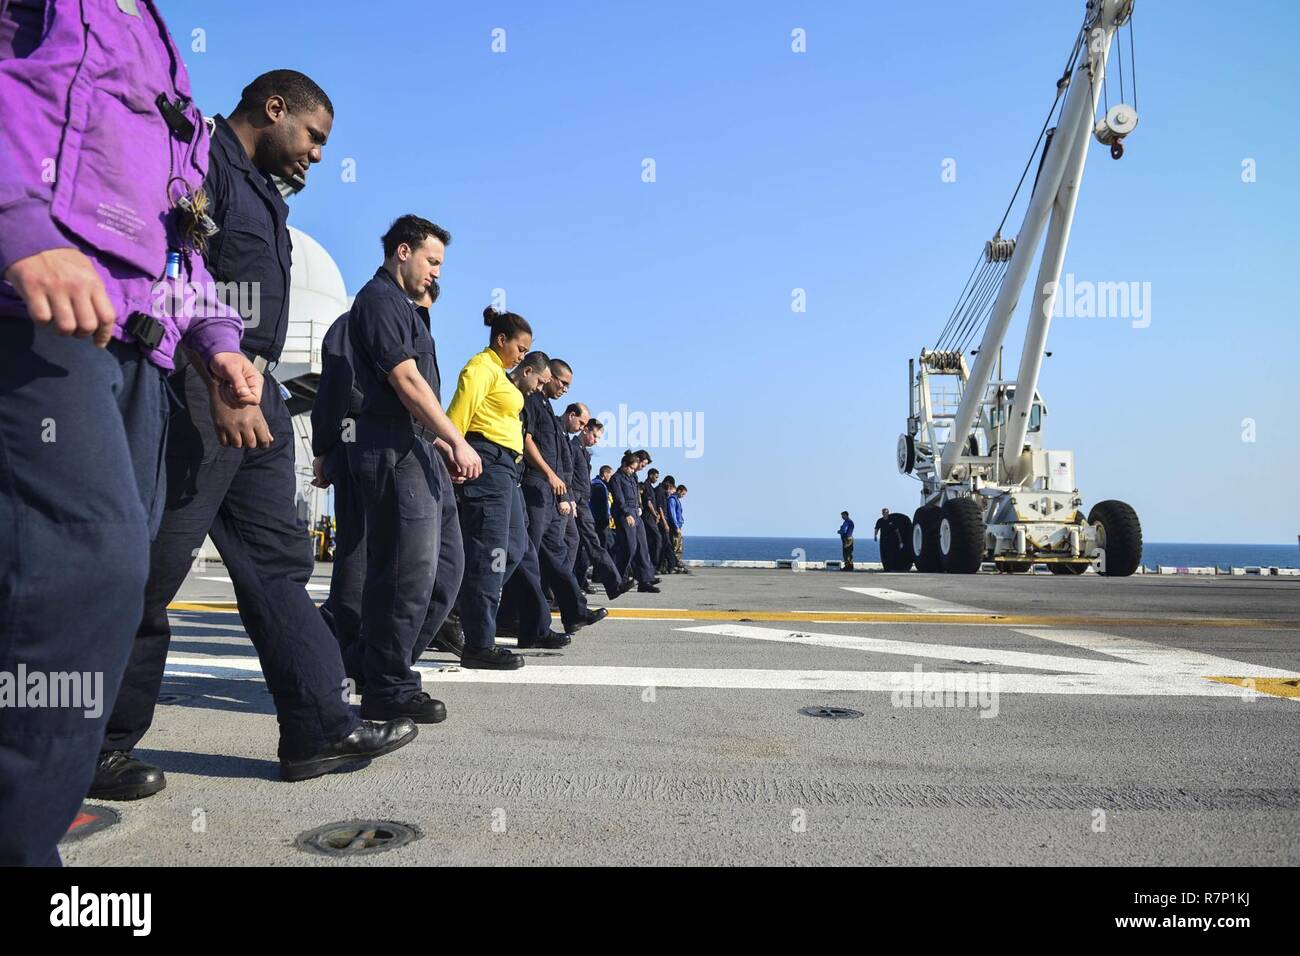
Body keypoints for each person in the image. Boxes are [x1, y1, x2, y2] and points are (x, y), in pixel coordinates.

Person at [89, 70, 416, 800]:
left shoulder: (266, 194)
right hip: (206, 385)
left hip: (258, 388)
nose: (318, 156)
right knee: (155, 567)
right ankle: (96, 744)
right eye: (313, 137)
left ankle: (317, 728)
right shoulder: (200, 161)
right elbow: (174, 268)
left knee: (278, 565)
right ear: (274, 109)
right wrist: (217, 377)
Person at [0, 0, 270, 865]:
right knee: (84, 565)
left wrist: (216, 340)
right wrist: (20, 223)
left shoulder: (160, 44)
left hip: (137, 352)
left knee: (106, 592)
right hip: (39, 316)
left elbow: (168, 238)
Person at [345, 215, 481, 718]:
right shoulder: (378, 301)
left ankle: (373, 664)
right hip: (390, 447)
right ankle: (388, 687)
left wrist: (440, 443)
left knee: (447, 571)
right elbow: (405, 381)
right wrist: (456, 438)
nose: (436, 274)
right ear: (403, 251)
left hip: (421, 447)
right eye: (432, 261)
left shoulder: (409, 310)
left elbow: (419, 392)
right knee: (407, 573)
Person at [446, 310, 553, 667]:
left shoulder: (501, 375)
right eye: (520, 348)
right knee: (489, 554)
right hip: (487, 463)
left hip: (508, 469)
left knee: (514, 548)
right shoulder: (480, 367)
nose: (522, 356)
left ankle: (456, 613)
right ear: (501, 340)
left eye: (526, 351)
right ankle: (478, 645)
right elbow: (459, 413)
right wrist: (451, 453)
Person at [507, 359, 606, 636]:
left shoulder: (546, 406)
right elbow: (526, 441)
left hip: (551, 492)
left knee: (554, 554)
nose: (564, 389)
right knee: (528, 557)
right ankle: (514, 618)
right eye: (561, 382)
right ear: (547, 376)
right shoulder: (531, 401)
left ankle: (574, 612)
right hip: (536, 485)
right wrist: (550, 474)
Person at [568, 418, 626, 599]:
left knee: (575, 548)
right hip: (576, 500)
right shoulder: (573, 448)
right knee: (591, 544)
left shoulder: (584, 452)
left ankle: (562, 593)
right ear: (585, 430)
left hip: (582, 501)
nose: (596, 440)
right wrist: (569, 499)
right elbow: (567, 475)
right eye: (595, 435)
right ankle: (614, 584)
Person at [611, 452, 659, 592]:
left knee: (642, 547)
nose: (633, 470)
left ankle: (644, 581)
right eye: (631, 468)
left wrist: (639, 508)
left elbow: (637, 495)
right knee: (629, 548)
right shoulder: (616, 478)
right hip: (625, 514)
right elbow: (619, 499)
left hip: (636, 513)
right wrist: (627, 513)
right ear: (624, 465)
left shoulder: (632, 477)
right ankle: (618, 580)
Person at [656, 476, 682, 573]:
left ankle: (665, 566)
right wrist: (666, 523)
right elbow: (660, 508)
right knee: (668, 545)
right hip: (663, 522)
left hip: (665, 522)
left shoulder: (664, 492)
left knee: (665, 545)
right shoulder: (660, 491)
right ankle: (672, 565)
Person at [592, 465, 617, 552]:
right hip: (600, 520)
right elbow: (601, 505)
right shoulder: (598, 485)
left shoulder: (600, 484)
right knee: (606, 544)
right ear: (605, 473)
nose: (612, 478)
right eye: (611, 475)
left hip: (600, 519)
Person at [668, 482, 689, 571]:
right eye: (683, 494)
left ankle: (677, 562)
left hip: (679, 525)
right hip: (675, 527)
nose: (683, 496)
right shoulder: (672, 500)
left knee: (679, 545)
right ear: (679, 491)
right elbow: (672, 514)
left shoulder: (676, 500)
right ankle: (675, 563)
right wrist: (676, 526)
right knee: (675, 545)